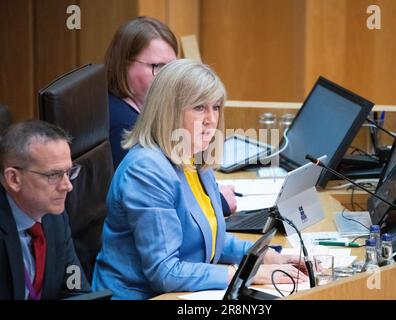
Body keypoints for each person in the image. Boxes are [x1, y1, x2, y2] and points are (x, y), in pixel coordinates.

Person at [92, 59, 308, 299]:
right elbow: (165, 272)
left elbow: (209, 238)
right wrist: (245, 274)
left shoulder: (193, 157)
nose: (211, 119)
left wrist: (269, 256)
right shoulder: (146, 171)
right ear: (169, 110)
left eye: (215, 107)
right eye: (199, 108)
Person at [105, 16, 237, 214]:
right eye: (157, 67)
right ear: (123, 65)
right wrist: (219, 203)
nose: (169, 76)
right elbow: (164, 199)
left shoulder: (148, 113)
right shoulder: (124, 126)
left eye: (172, 66)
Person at [0, 120, 91, 299]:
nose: (67, 186)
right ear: (14, 179)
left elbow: (74, 284)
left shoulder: (53, 215)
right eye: (54, 175)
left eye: (69, 171)